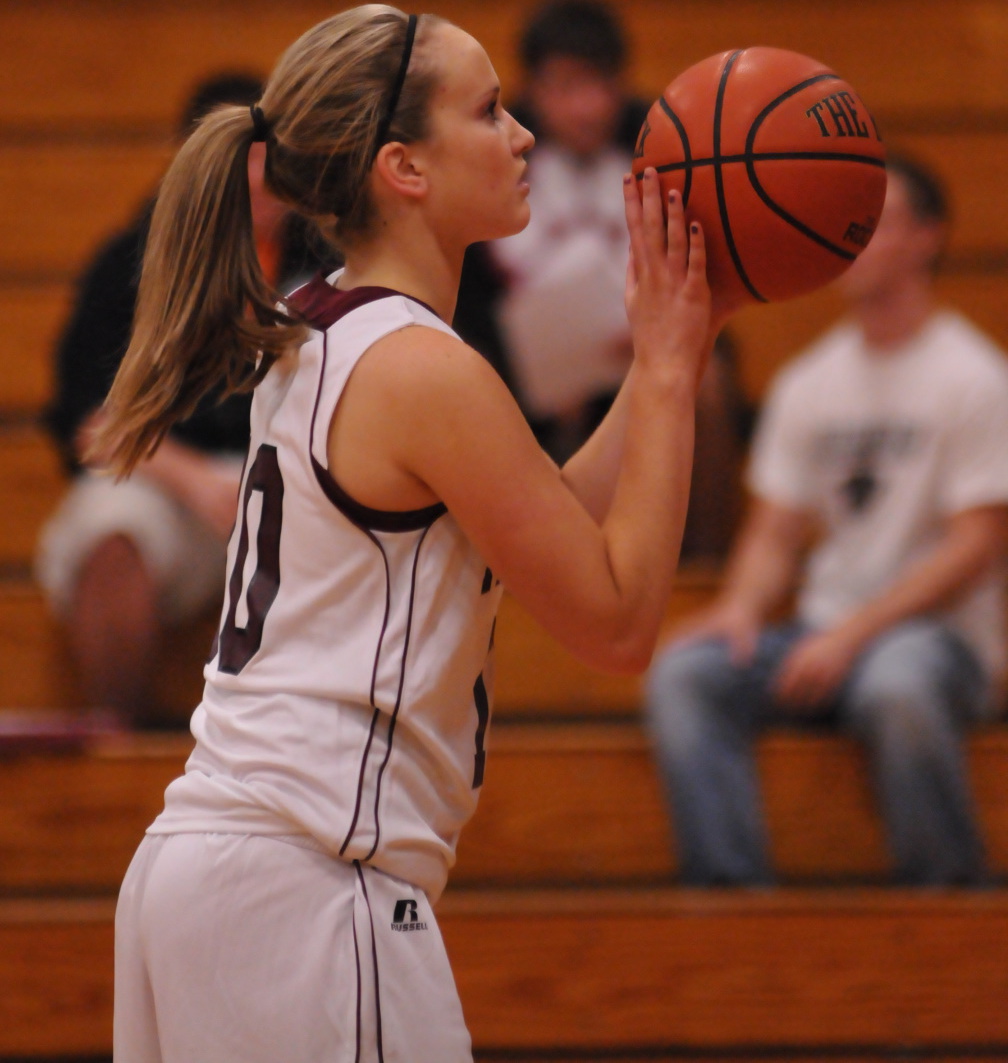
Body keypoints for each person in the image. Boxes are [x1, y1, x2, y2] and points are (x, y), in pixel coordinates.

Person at [96, 7, 714, 1059]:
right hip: (308, 889)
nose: (520, 134)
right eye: (487, 111)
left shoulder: (321, 323)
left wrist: (679, 352)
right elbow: (614, 622)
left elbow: (539, 513)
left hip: (207, 877)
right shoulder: (426, 370)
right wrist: (660, 372)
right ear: (404, 169)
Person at [645, 153, 1008, 888]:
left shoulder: (975, 375)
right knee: (684, 674)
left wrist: (852, 634)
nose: (855, 242)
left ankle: (950, 909)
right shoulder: (809, 380)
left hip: (940, 643)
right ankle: (735, 906)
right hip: (822, 633)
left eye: (878, 226)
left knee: (895, 688)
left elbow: (978, 542)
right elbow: (775, 531)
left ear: (927, 239)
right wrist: (742, 608)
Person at [35, 73, 330, 729]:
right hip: (167, 478)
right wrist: (194, 481)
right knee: (113, 533)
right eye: (236, 160)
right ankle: (114, 736)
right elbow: (89, 422)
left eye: (267, 156)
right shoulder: (130, 262)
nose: (256, 179)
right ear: (192, 164)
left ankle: (315, 745)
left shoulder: (331, 255)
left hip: (297, 477)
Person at [454, 0, 750, 555]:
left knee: (707, 386)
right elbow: (465, 301)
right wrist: (527, 377)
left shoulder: (670, 149)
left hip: (652, 353)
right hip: (526, 380)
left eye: (599, 86)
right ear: (533, 89)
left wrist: (663, 346)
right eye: (565, 88)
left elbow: (709, 275)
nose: (587, 108)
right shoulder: (492, 152)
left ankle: (704, 573)